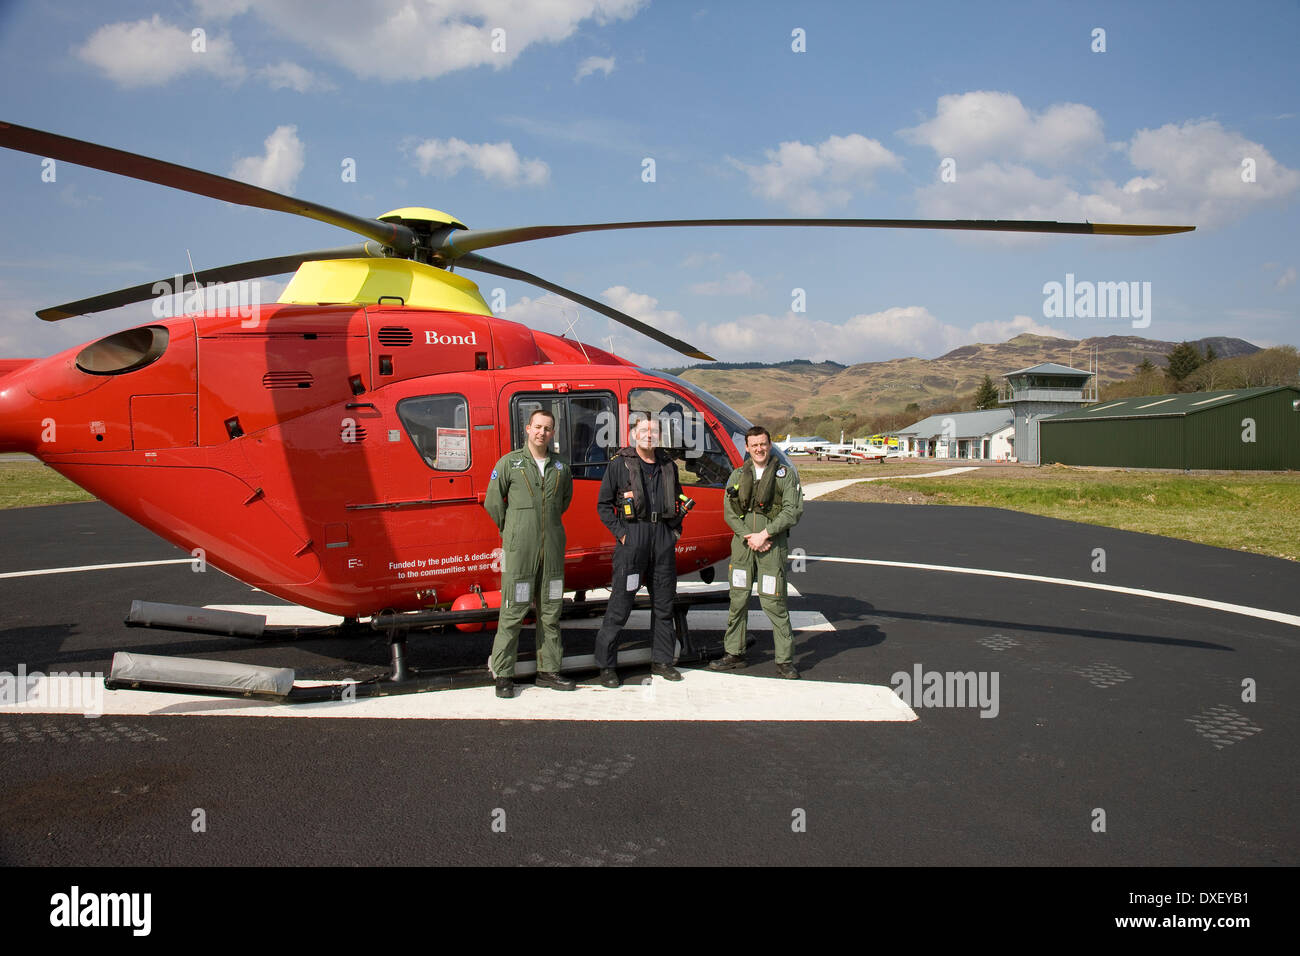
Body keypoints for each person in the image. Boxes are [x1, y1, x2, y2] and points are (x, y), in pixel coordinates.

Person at [484, 408, 575, 698]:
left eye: (547, 429)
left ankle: (548, 670)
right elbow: (493, 502)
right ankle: (503, 674)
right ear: (527, 428)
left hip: (552, 550)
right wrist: (513, 530)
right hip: (520, 551)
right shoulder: (510, 464)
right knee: (513, 610)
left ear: (552, 433)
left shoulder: (561, 467)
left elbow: (564, 502)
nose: (542, 433)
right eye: (537, 427)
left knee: (550, 611)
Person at [593, 416, 688, 687]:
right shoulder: (620, 465)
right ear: (634, 434)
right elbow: (603, 505)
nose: (649, 434)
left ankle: (662, 661)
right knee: (620, 606)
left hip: (662, 539)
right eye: (644, 430)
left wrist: (674, 533)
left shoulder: (668, 465)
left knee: (664, 605)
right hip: (633, 539)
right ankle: (606, 665)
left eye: (654, 430)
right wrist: (622, 534)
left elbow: (678, 501)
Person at [710, 426, 804, 679]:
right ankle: (734, 652)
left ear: (769, 444)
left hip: (771, 545)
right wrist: (747, 536)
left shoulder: (785, 475)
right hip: (743, 545)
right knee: (737, 598)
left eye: (763, 444)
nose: (759, 449)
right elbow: (729, 511)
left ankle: (784, 660)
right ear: (747, 448)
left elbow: (792, 510)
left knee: (773, 601)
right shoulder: (738, 475)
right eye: (754, 445)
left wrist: (765, 534)